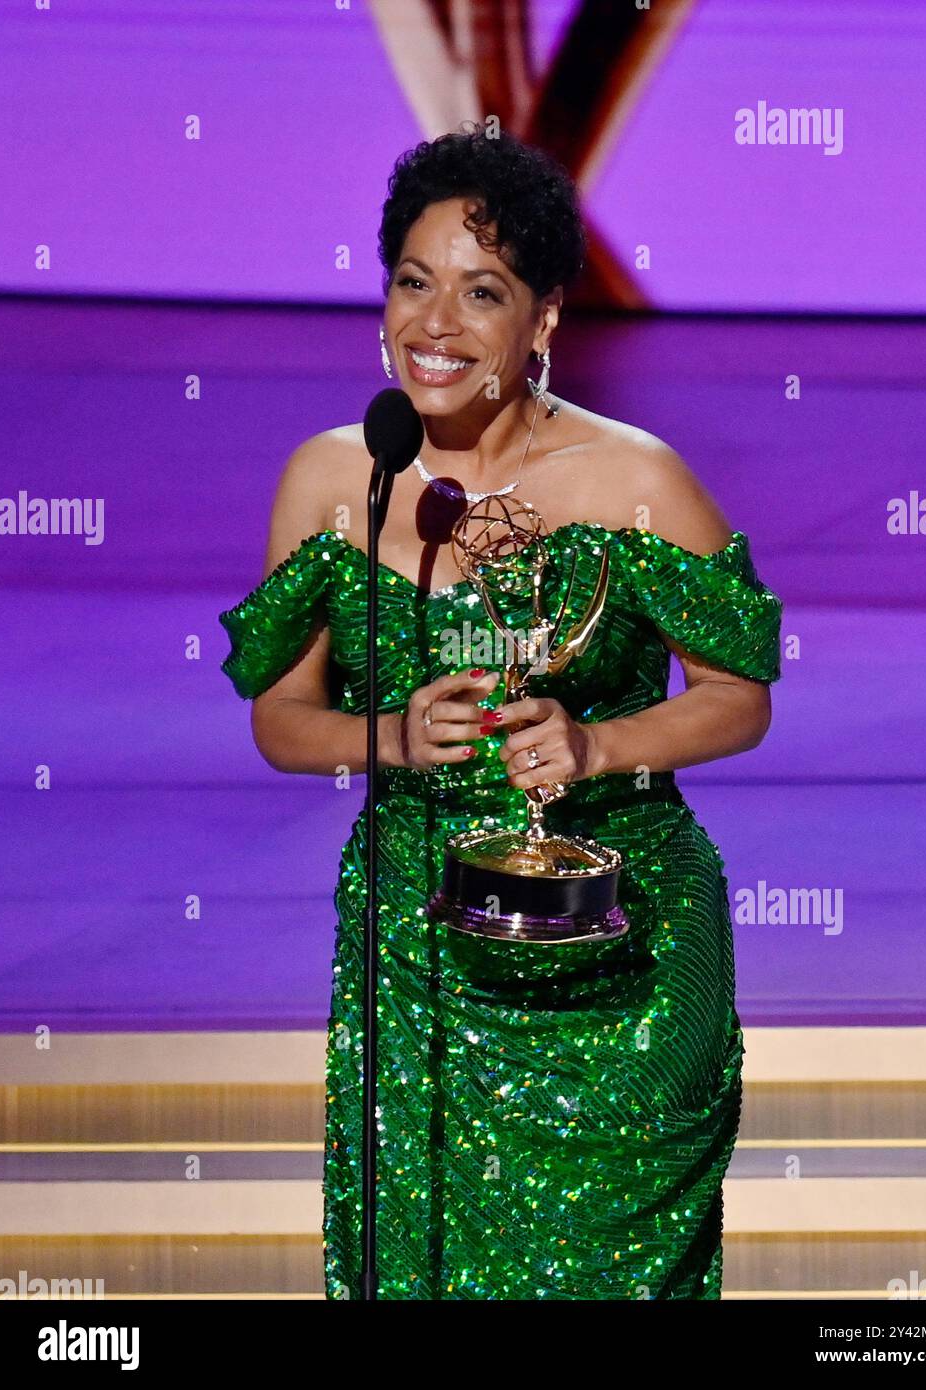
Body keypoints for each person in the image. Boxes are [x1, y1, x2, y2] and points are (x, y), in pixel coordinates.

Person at [218, 124, 783, 1300]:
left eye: (482, 292)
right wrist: (389, 737)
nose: (435, 325)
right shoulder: (336, 479)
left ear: (543, 320)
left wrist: (596, 744)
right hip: (420, 951)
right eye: (413, 283)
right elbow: (283, 721)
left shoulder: (634, 480)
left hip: (623, 947)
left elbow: (738, 699)